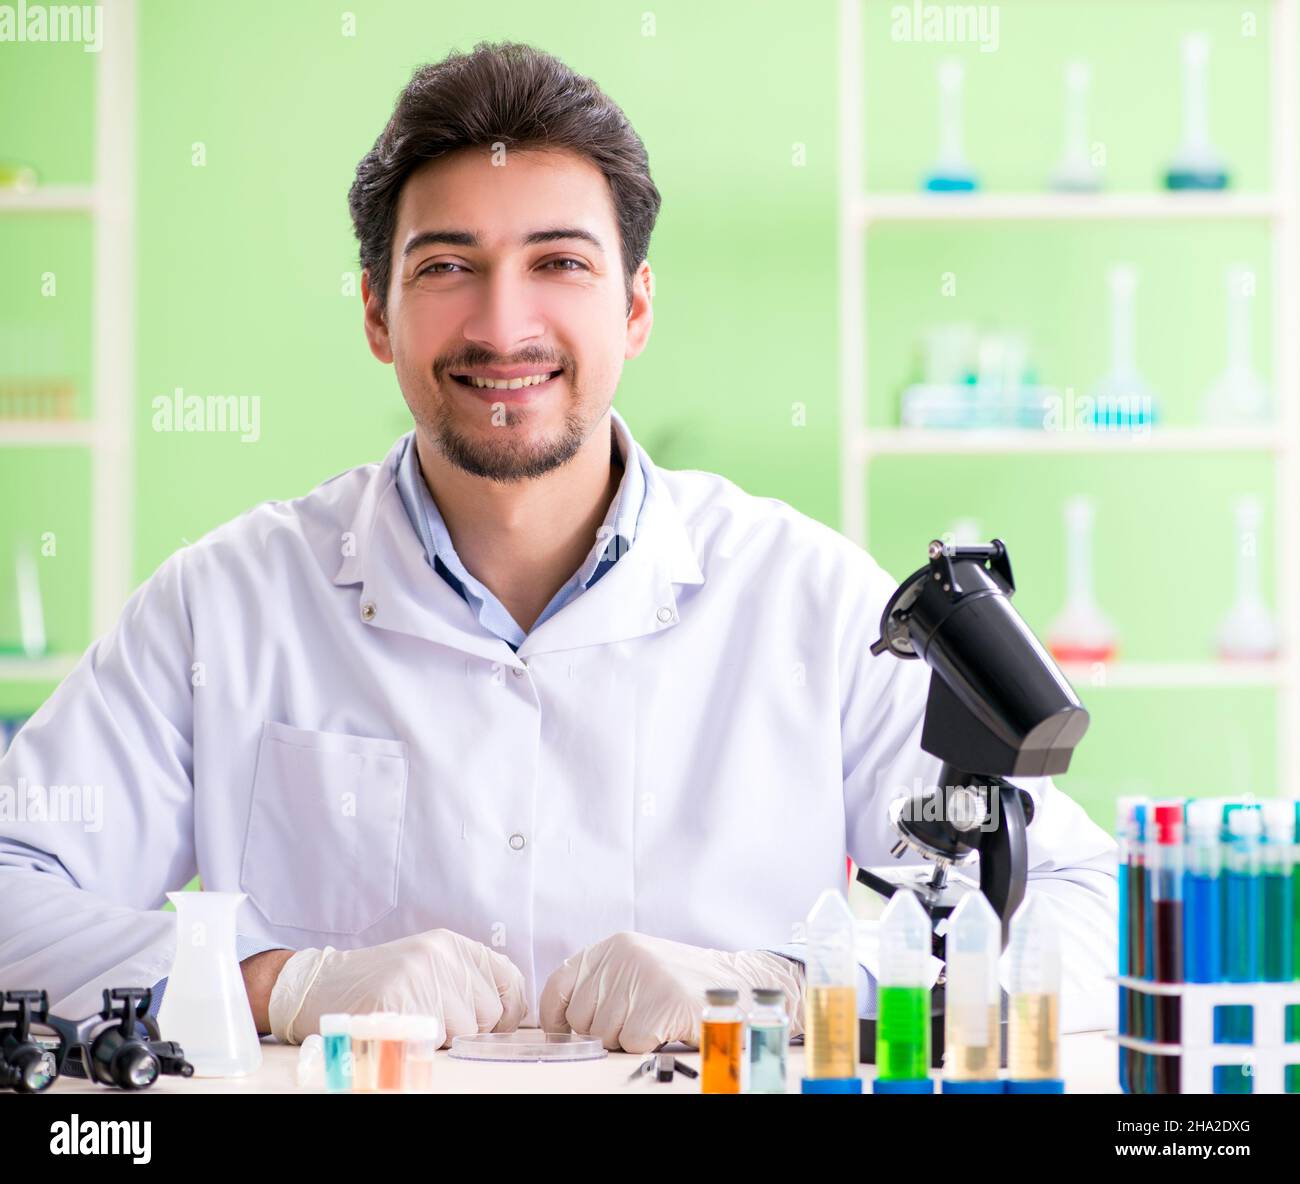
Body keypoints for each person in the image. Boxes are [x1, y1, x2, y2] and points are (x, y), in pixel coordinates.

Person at [0, 41, 1117, 1054]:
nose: (501, 324)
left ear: (634, 307)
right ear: (377, 313)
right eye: (445, 266)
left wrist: (784, 987)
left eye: (558, 263)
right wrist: (277, 982)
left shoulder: (808, 601)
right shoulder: (227, 601)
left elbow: (1080, 904)